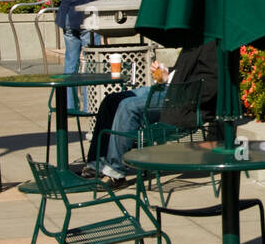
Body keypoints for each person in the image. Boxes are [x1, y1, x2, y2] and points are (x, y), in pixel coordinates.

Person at [81, 42, 218, 187]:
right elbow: (186, 71)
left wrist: (178, 89)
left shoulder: (212, 45)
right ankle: (97, 165)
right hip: (167, 88)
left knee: (128, 107)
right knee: (111, 101)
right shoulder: (195, 39)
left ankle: (116, 173)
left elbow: (210, 86)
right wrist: (166, 73)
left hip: (181, 100)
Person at [52, 0, 119, 111]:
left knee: (70, 64)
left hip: (66, 16)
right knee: (91, 63)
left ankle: (70, 106)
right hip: (86, 17)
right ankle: (91, 106)